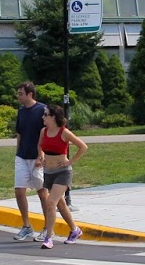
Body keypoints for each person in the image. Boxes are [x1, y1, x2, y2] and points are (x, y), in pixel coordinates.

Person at [36, 103, 88, 249]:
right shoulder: (43, 131)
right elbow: (40, 146)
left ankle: (48, 238)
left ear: (53, 117)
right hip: (48, 172)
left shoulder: (64, 132)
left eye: (45, 115)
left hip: (63, 173)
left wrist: (70, 162)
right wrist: (41, 157)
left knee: (50, 203)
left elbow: (83, 147)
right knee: (60, 203)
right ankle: (75, 230)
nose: (43, 117)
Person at [11, 81, 48, 241]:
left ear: (29, 94)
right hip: (22, 156)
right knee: (19, 191)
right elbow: (19, 132)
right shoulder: (21, 111)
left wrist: (43, 155)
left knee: (42, 192)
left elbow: (47, 133)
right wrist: (18, 150)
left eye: (20, 93)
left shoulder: (42, 110)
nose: (18, 96)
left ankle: (48, 227)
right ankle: (26, 226)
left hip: (37, 157)